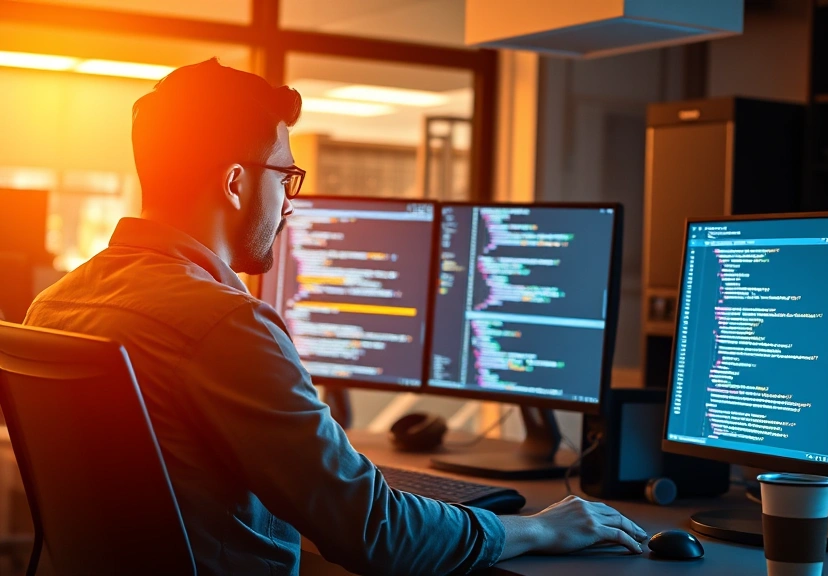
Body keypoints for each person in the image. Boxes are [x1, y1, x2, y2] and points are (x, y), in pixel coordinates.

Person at [23, 59, 646, 576]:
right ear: (236, 182)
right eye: (285, 177)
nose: (290, 204)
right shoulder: (225, 324)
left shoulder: (54, 305)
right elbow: (376, 533)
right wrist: (535, 531)